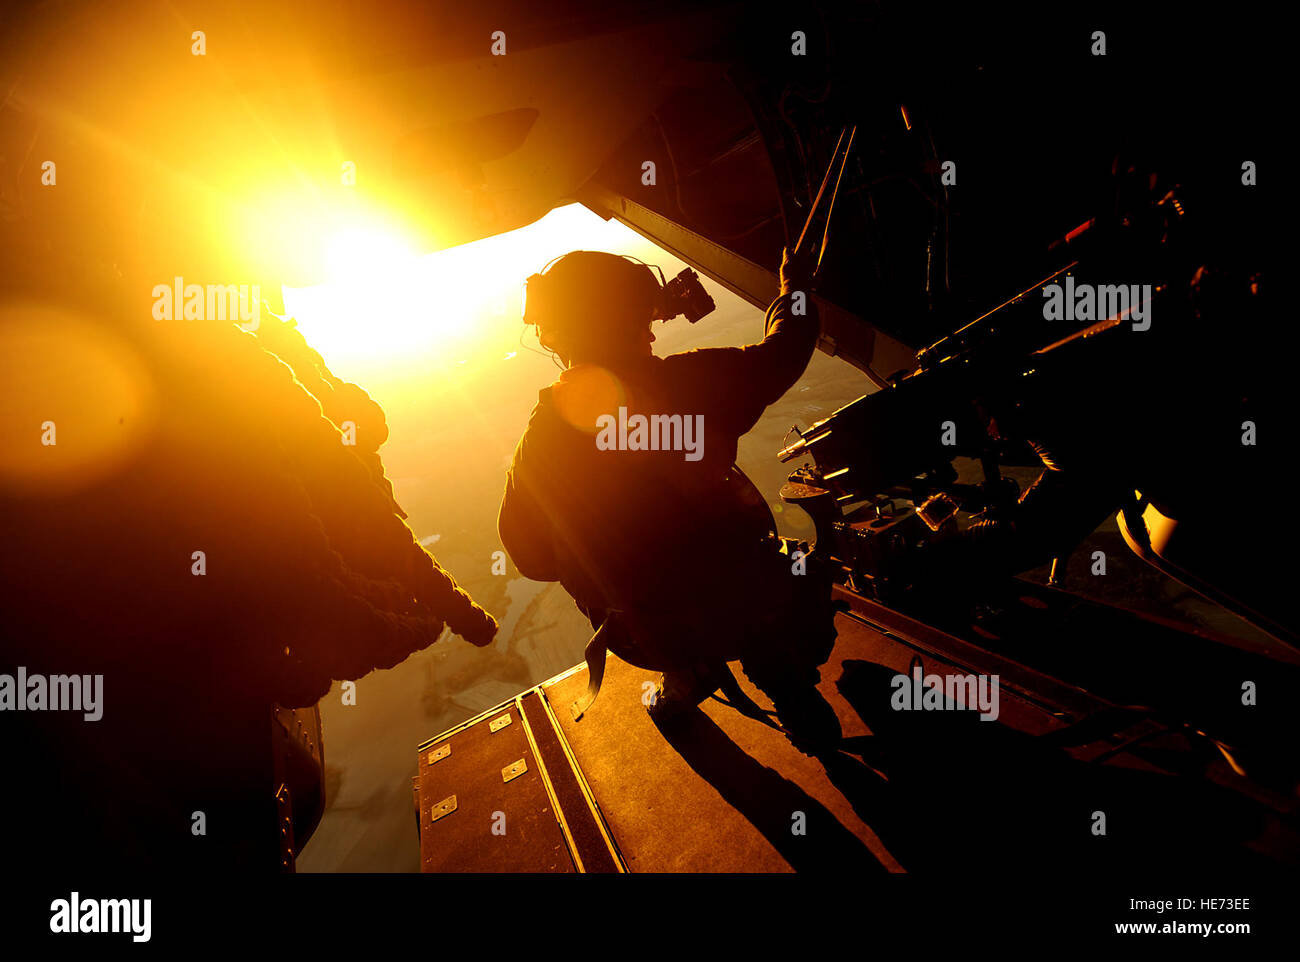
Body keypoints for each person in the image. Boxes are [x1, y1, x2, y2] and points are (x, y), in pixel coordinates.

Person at [497, 247, 842, 747]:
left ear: (559, 334)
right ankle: (785, 684)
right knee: (778, 579)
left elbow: (529, 557)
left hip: (646, 633)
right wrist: (795, 290)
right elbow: (785, 351)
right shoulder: (689, 383)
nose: (654, 329)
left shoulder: (543, 434)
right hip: (747, 599)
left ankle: (686, 672)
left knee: (685, 611)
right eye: (645, 318)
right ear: (629, 318)